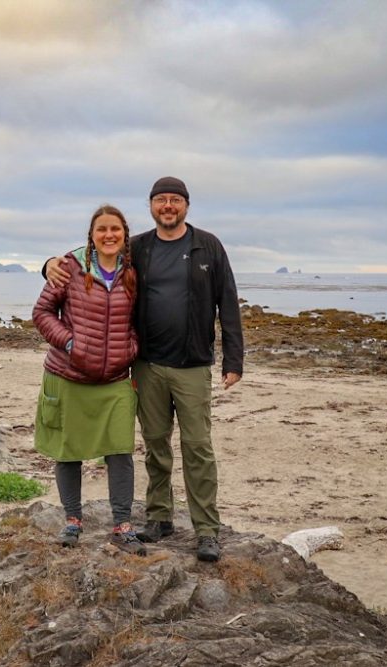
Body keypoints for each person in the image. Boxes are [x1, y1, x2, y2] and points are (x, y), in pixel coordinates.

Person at [45, 177, 243, 562]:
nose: (168, 206)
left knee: (198, 448)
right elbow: (89, 256)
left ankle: (206, 531)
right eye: (160, 200)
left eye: (175, 200)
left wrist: (234, 360)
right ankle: (159, 518)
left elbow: (228, 302)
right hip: (147, 365)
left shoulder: (209, 246)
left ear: (186, 205)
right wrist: (48, 264)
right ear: (151, 207)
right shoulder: (139, 249)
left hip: (193, 365)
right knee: (155, 445)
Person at [33, 204, 146, 556]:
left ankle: (122, 525)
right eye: (102, 230)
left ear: (124, 234)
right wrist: (70, 342)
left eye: (115, 229)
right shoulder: (69, 267)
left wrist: (131, 348)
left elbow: (144, 319)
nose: (109, 235)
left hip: (115, 379)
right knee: (68, 451)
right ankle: (72, 520)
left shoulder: (134, 272)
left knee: (120, 451)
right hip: (69, 374)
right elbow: (42, 312)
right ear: (92, 235)